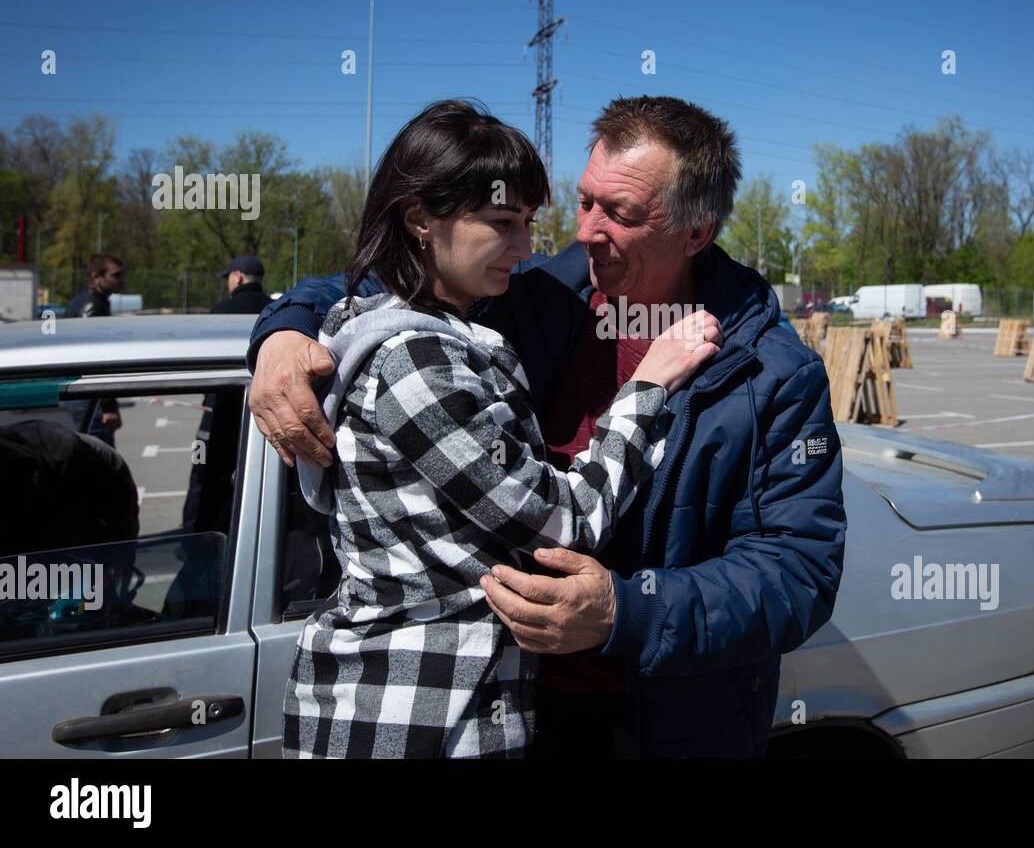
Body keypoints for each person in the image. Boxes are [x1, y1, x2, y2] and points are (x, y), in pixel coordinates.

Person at [248, 95, 846, 758]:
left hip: (662, 723)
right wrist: (282, 331)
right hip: (505, 716)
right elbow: (389, 278)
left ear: (695, 232)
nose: (586, 231)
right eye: (586, 201)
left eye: (620, 214)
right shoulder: (532, 295)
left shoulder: (772, 372)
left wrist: (629, 613)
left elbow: (799, 572)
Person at [181, 255, 274, 534]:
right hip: (267, 408)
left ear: (238, 277)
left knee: (206, 475)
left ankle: (198, 537)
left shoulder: (221, 311)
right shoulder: (276, 309)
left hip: (222, 411)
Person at [64, 253, 127, 447]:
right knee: (100, 462)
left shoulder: (90, 301)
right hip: (90, 398)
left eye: (122, 274)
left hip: (84, 394)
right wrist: (108, 406)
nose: (121, 280)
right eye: (115, 275)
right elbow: (94, 359)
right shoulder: (92, 307)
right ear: (96, 277)